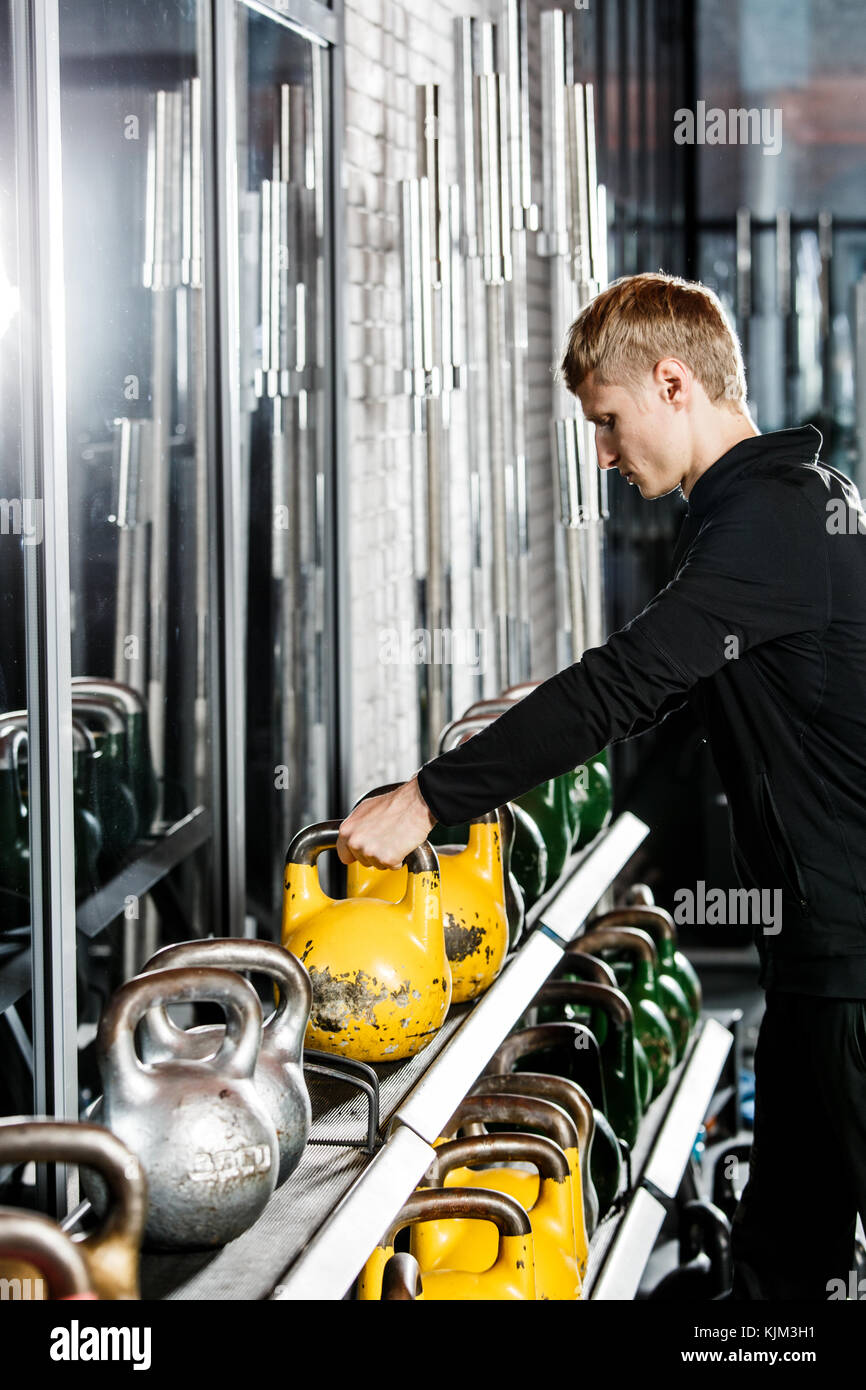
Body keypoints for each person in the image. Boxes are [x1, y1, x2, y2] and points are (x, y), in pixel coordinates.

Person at [336, 271, 866, 1301]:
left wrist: (428, 798)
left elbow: (627, 680)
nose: (604, 453)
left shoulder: (765, 519)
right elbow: (681, 670)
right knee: (783, 1262)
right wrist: (548, 702)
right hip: (819, 954)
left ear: (674, 382)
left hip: (848, 958)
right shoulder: (780, 499)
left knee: (792, 1258)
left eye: (609, 422)